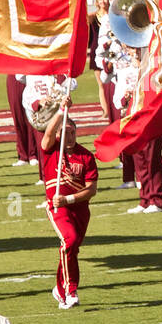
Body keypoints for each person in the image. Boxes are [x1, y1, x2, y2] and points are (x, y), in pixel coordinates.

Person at [40, 109, 99, 309]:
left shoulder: (86, 156)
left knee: (71, 249)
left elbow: (91, 190)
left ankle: (59, 288)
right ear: (58, 133)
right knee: (70, 240)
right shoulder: (52, 149)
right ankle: (70, 290)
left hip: (79, 209)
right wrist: (61, 112)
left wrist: (69, 199)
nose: (70, 136)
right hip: (57, 208)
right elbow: (47, 135)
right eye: (65, 131)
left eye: (73, 131)